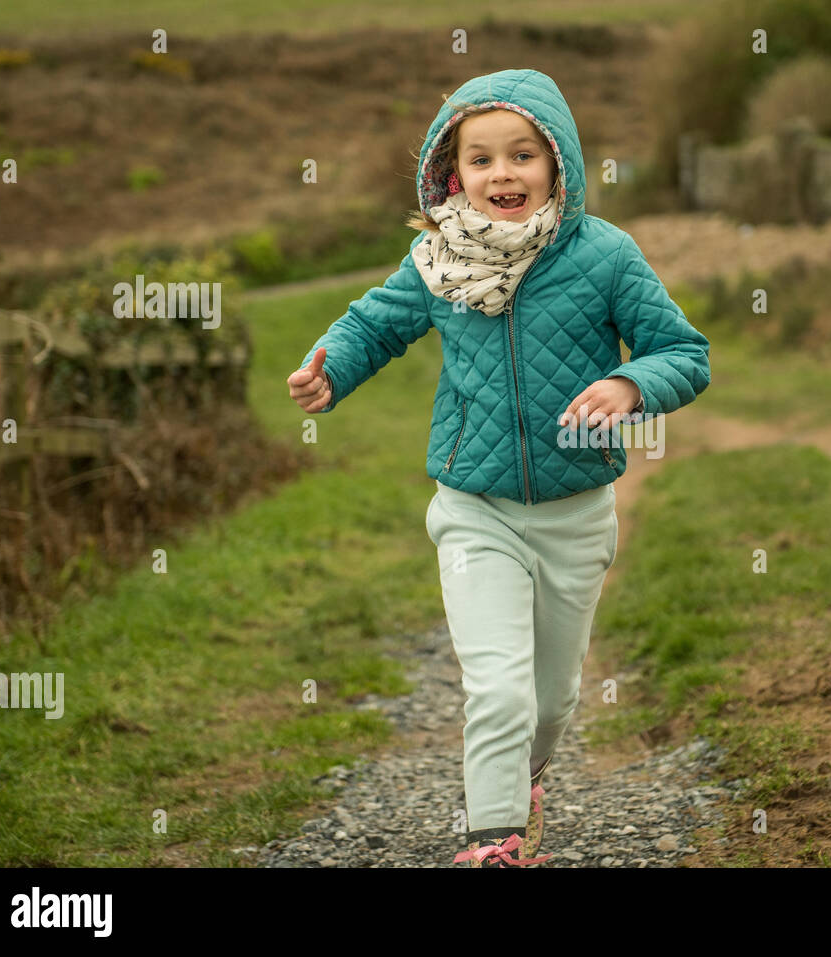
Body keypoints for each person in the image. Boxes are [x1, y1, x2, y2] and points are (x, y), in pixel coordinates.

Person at [287, 68, 710, 867]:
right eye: (480, 160)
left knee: (550, 702)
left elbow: (686, 353)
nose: (502, 173)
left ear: (558, 164)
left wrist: (629, 384)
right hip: (473, 505)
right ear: (452, 175)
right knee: (500, 689)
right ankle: (493, 840)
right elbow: (372, 325)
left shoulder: (606, 256)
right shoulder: (436, 262)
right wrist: (331, 368)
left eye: (522, 155)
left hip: (576, 510)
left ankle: (529, 779)